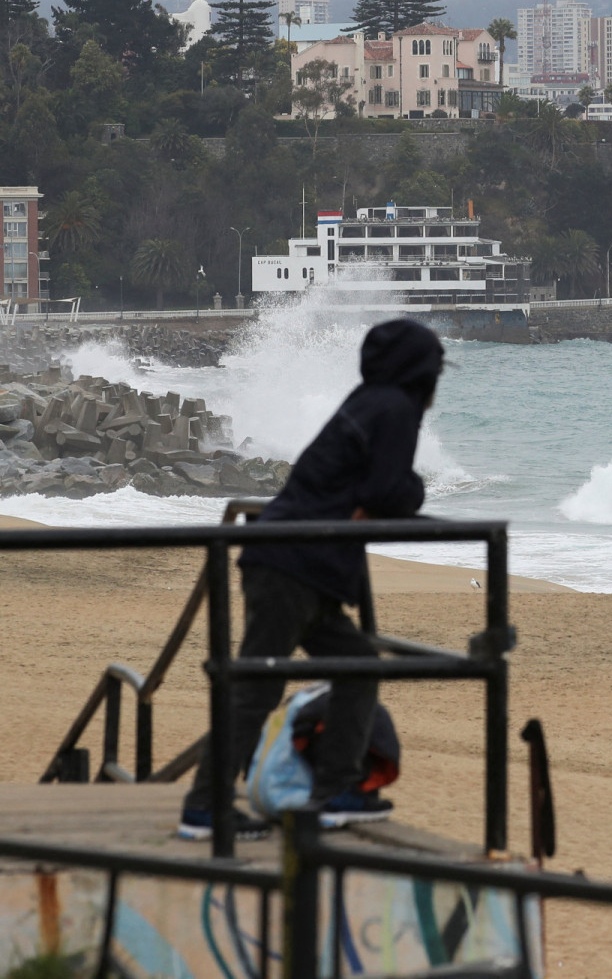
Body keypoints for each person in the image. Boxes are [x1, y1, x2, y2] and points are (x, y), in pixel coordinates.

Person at [178, 318, 443, 841]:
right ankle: (205, 806)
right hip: (294, 561)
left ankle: (335, 791)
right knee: (257, 686)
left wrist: (383, 497)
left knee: (359, 664)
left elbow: (372, 491)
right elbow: (389, 489)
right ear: (423, 372)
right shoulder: (395, 407)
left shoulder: (369, 400)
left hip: (296, 559)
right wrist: (409, 492)